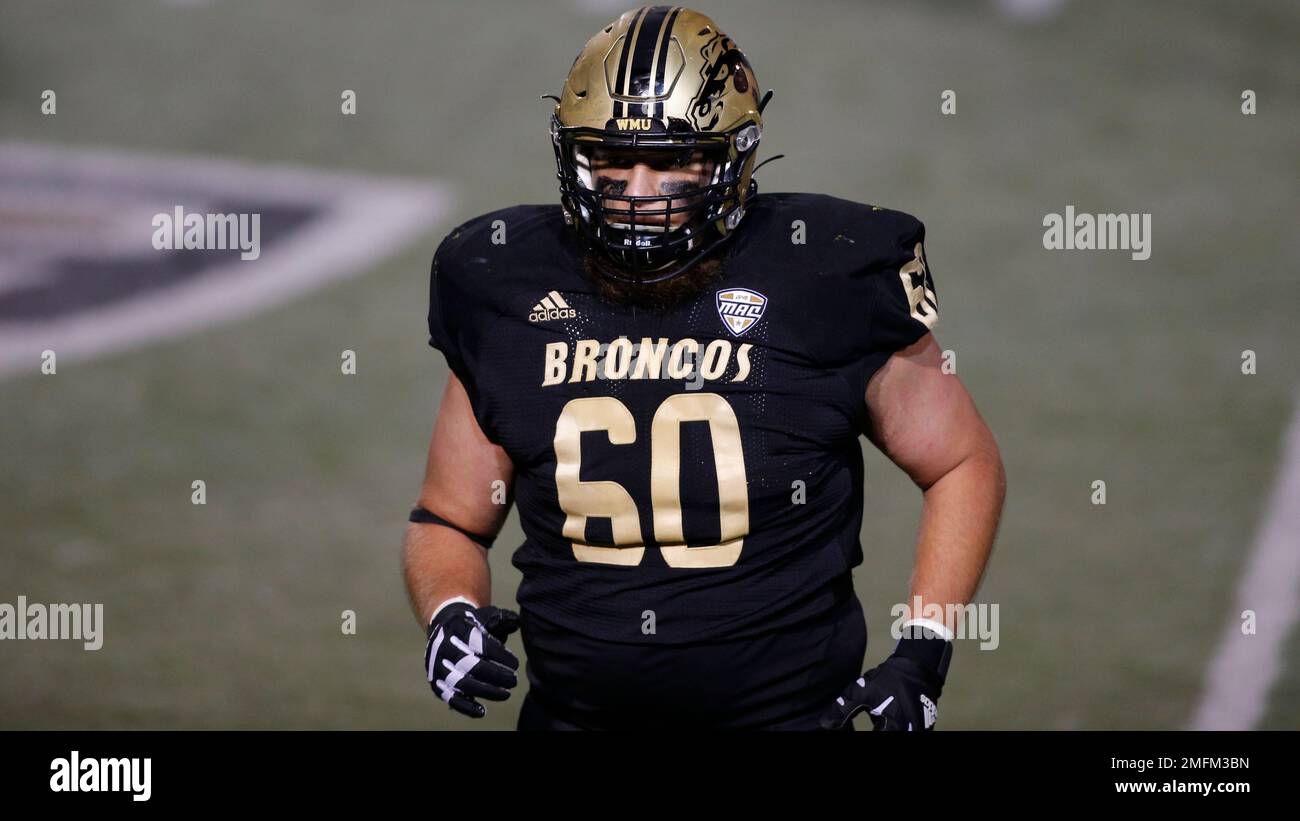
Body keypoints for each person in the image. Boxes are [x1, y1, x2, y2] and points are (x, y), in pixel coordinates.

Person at [402, 5, 1005, 731]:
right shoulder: (502, 281)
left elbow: (962, 462)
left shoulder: (824, 274)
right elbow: (449, 519)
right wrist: (449, 610)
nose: (637, 190)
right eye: (611, 158)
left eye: (671, 161)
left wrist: (923, 651)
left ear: (734, 155)